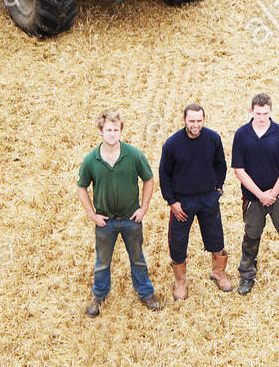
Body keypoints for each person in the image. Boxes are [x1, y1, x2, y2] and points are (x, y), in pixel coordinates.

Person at [76, 110, 163, 316]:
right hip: (105, 222)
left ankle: (146, 293)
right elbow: (82, 187)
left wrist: (144, 208)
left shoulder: (133, 155)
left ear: (121, 131)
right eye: (108, 130)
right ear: (101, 132)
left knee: (138, 258)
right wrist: (92, 214)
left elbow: (149, 179)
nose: (112, 134)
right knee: (102, 261)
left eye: (116, 130)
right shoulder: (91, 160)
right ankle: (99, 295)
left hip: (131, 219)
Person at [232, 93, 279, 294]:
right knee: (251, 237)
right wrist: (260, 195)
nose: (262, 117)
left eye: (266, 113)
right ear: (251, 111)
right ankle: (247, 276)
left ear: (271, 111)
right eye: (258, 113)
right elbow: (239, 170)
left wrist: (273, 193)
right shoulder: (241, 135)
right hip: (252, 199)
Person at [159, 103, 232, 300]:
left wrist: (217, 188)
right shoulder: (172, 144)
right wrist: (172, 202)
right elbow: (164, 175)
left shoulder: (213, 139)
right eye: (192, 121)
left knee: (216, 238)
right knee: (178, 243)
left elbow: (220, 165)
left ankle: (219, 273)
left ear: (203, 120)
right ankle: (180, 282)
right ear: (184, 121)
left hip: (208, 198)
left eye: (199, 121)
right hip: (182, 202)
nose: (195, 124)